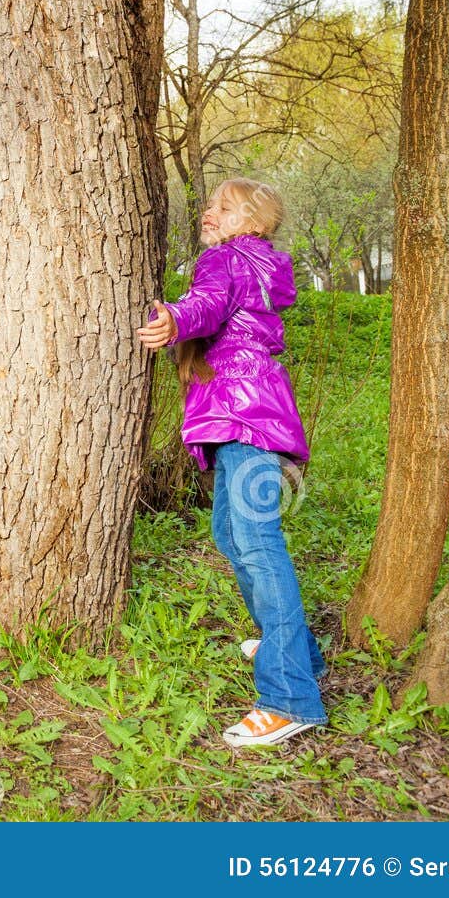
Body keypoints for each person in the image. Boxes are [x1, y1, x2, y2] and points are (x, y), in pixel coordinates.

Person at [135, 177, 328, 747]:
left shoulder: (228, 257)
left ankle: (289, 696)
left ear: (251, 219)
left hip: (245, 413)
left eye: (222, 208)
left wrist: (174, 318)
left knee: (257, 542)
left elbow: (206, 303)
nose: (208, 215)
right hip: (251, 411)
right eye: (210, 208)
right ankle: (296, 649)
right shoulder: (260, 263)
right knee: (232, 533)